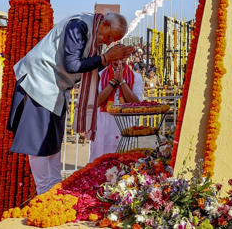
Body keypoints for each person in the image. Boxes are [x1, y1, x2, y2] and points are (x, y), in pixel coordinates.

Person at [8, 12, 133, 193]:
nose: (107, 43)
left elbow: (87, 65)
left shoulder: (94, 32)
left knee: (52, 143)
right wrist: (106, 58)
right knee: (39, 143)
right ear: (104, 24)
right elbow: (72, 65)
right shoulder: (79, 26)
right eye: (109, 37)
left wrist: (109, 59)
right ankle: (44, 191)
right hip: (39, 83)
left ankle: (54, 190)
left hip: (56, 90)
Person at [89, 57, 144, 161]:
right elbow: (96, 102)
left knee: (125, 162)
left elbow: (136, 103)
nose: (118, 61)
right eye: (115, 57)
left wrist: (122, 82)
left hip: (125, 125)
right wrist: (113, 82)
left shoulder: (136, 77)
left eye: (121, 58)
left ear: (125, 59)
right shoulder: (99, 76)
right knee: (100, 162)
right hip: (103, 127)